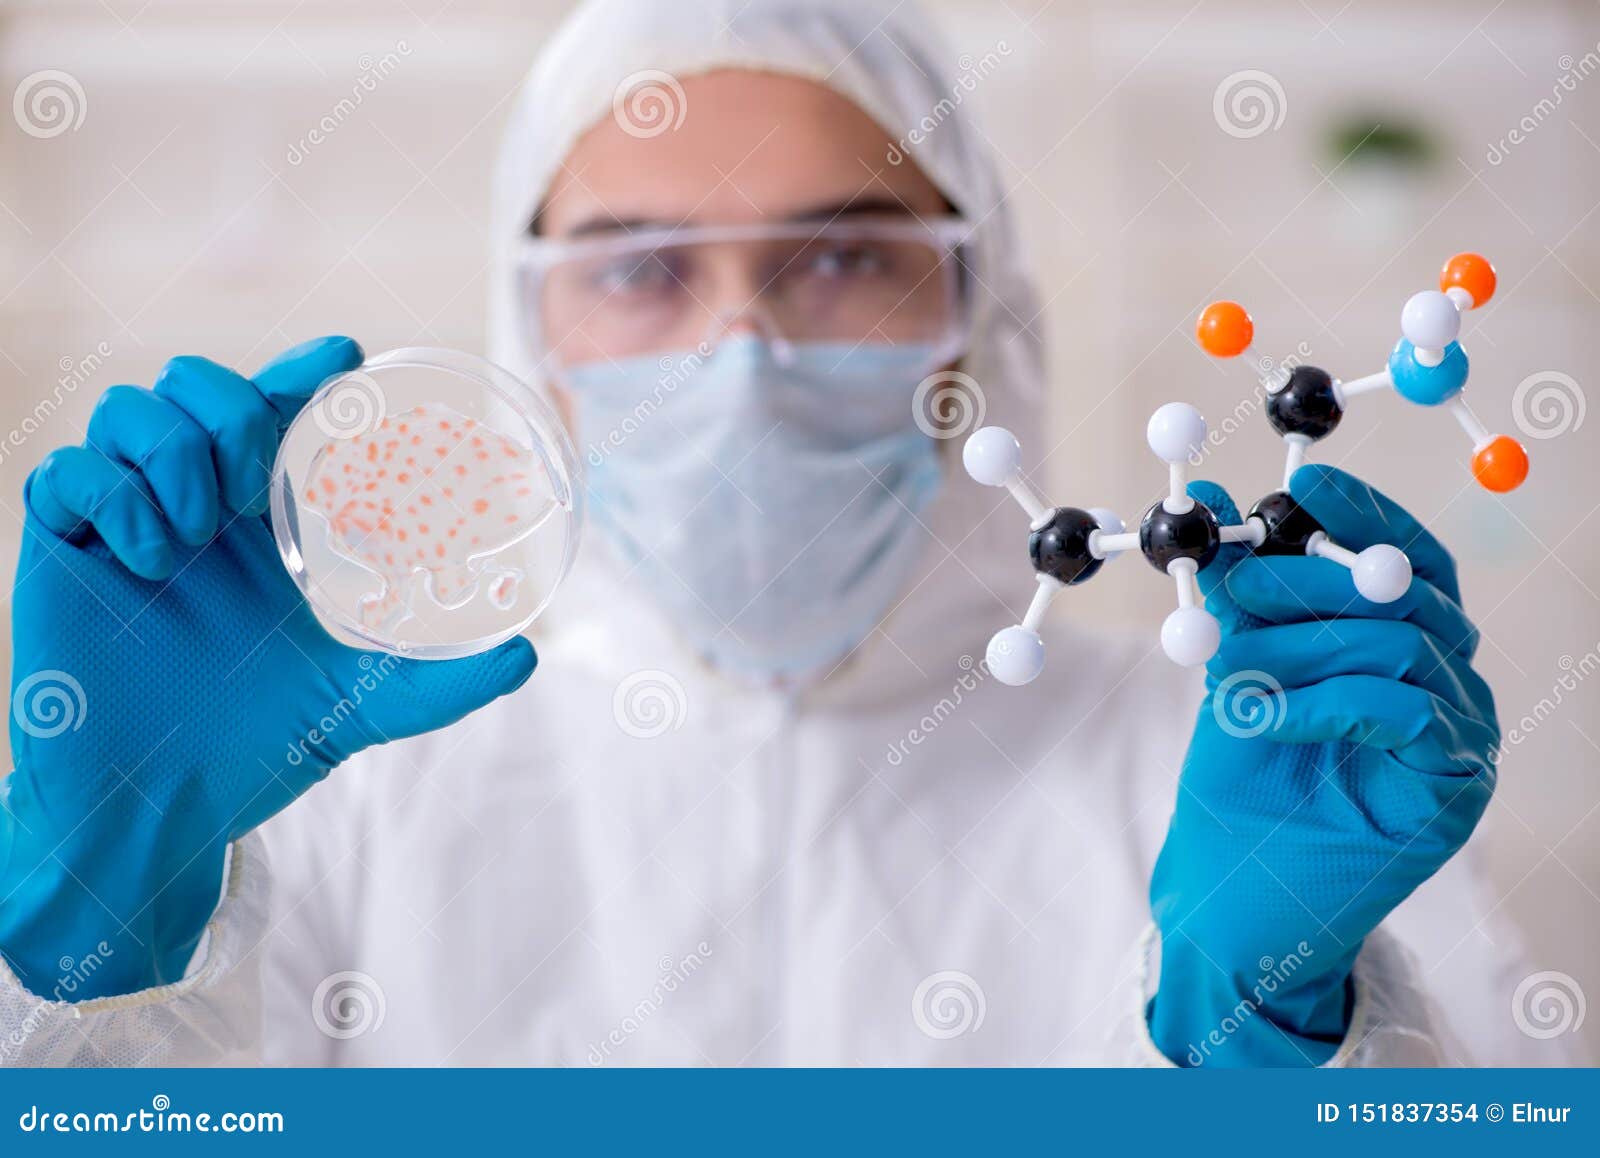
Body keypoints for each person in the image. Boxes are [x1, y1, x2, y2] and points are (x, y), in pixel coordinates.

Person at [0, 0, 1564, 1067]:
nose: (740, 349)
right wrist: (98, 923)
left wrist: (1284, 1038)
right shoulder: (339, 798)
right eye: (640, 268)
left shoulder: (1240, 767)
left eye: (842, 257)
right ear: (532, 331)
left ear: (976, 312)